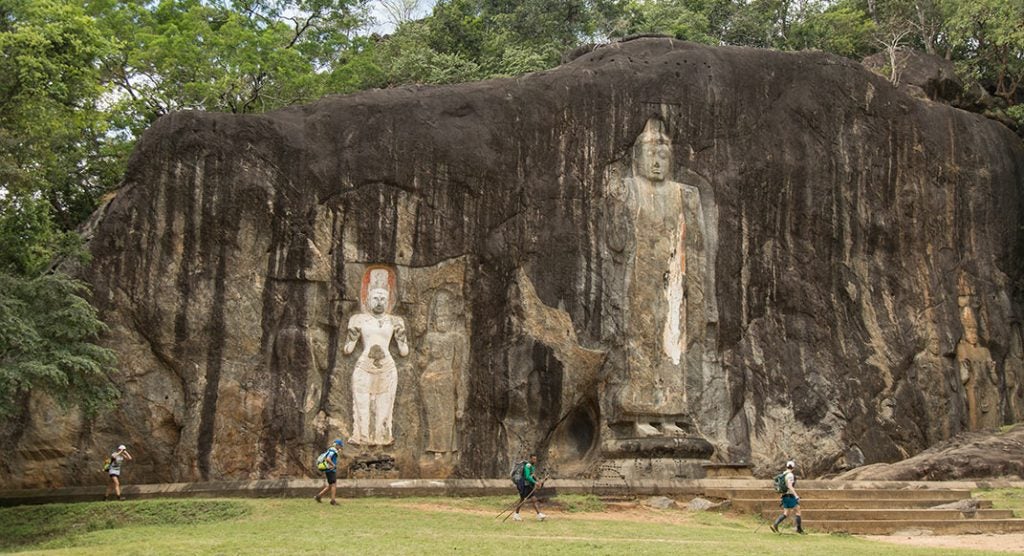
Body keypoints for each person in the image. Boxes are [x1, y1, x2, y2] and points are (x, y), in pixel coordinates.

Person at [770, 460, 804, 534]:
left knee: (786, 513)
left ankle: (774, 524)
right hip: (790, 496)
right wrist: (796, 496)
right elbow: (789, 486)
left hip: (784, 496)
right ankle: (799, 529)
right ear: (793, 467)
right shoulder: (790, 475)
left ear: (786, 466)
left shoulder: (783, 474)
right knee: (798, 510)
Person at [511, 454, 546, 521]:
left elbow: (532, 475)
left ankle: (516, 515)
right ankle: (538, 515)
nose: (534, 460)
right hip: (524, 485)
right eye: (533, 459)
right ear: (530, 459)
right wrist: (535, 482)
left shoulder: (532, 466)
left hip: (527, 485)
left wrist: (538, 481)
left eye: (535, 459)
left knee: (525, 499)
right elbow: (527, 476)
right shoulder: (528, 466)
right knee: (531, 499)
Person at [315, 439, 344, 506]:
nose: (340, 447)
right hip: (330, 470)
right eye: (340, 446)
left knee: (330, 485)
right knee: (333, 485)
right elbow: (328, 459)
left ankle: (318, 496)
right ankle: (333, 501)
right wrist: (333, 465)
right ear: (337, 445)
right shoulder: (332, 451)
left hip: (329, 469)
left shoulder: (332, 450)